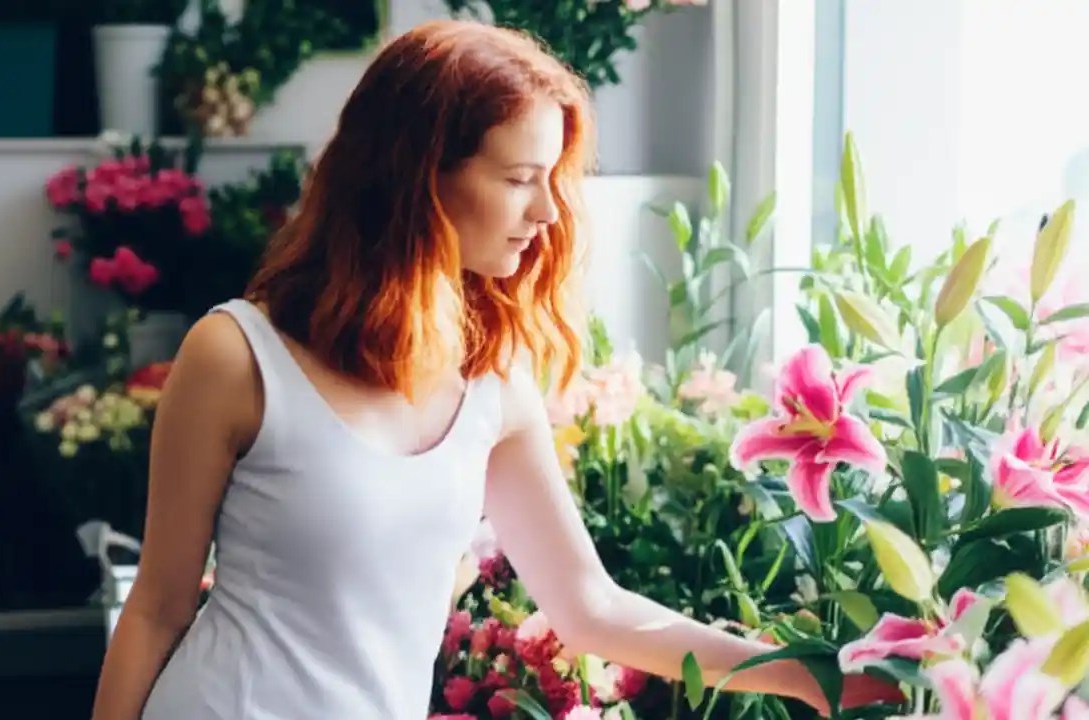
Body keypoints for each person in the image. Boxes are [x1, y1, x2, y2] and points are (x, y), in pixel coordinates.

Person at [90, 18, 901, 720]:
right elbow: (158, 609)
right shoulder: (236, 356)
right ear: (415, 181)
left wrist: (810, 676)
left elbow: (590, 608)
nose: (547, 211)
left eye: (551, 179)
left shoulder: (491, 381)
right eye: (518, 179)